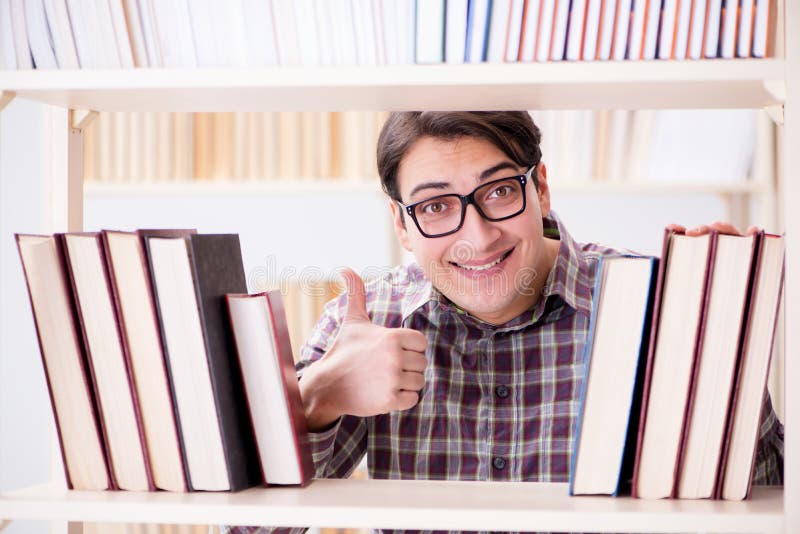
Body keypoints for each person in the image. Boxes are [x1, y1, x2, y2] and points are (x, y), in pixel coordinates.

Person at [224, 111, 783, 534]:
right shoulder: (368, 318)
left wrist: (724, 337)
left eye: (498, 191)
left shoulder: (659, 306)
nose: (479, 236)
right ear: (401, 223)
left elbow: (771, 503)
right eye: (436, 206)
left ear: (539, 187)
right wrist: (320, 397)